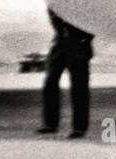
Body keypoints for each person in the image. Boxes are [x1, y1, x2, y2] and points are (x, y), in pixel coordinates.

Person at [39, 9, 94, 138]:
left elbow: (93, 21)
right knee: (50, 82)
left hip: (77, 43)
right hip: (62, 42)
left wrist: (84, 38)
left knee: (79, 87)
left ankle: (79, 127)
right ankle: (51, 123)